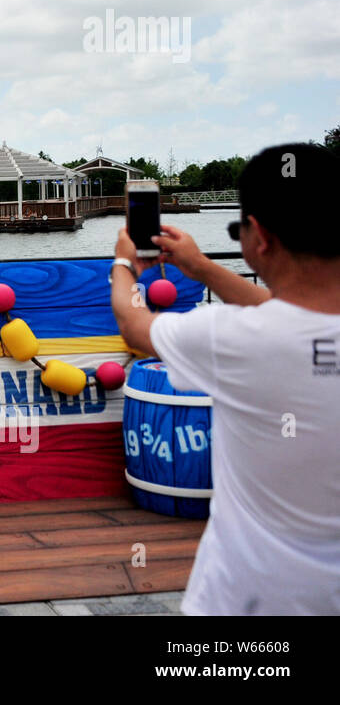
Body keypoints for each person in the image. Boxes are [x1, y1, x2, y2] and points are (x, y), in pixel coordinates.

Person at [108, 143, 340, 614]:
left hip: (247, 600)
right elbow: (290, 315)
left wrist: (124, 264)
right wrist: (201, 268)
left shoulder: (235, 338)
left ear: (258, 236)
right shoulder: (264, 331)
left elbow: (135, 325)